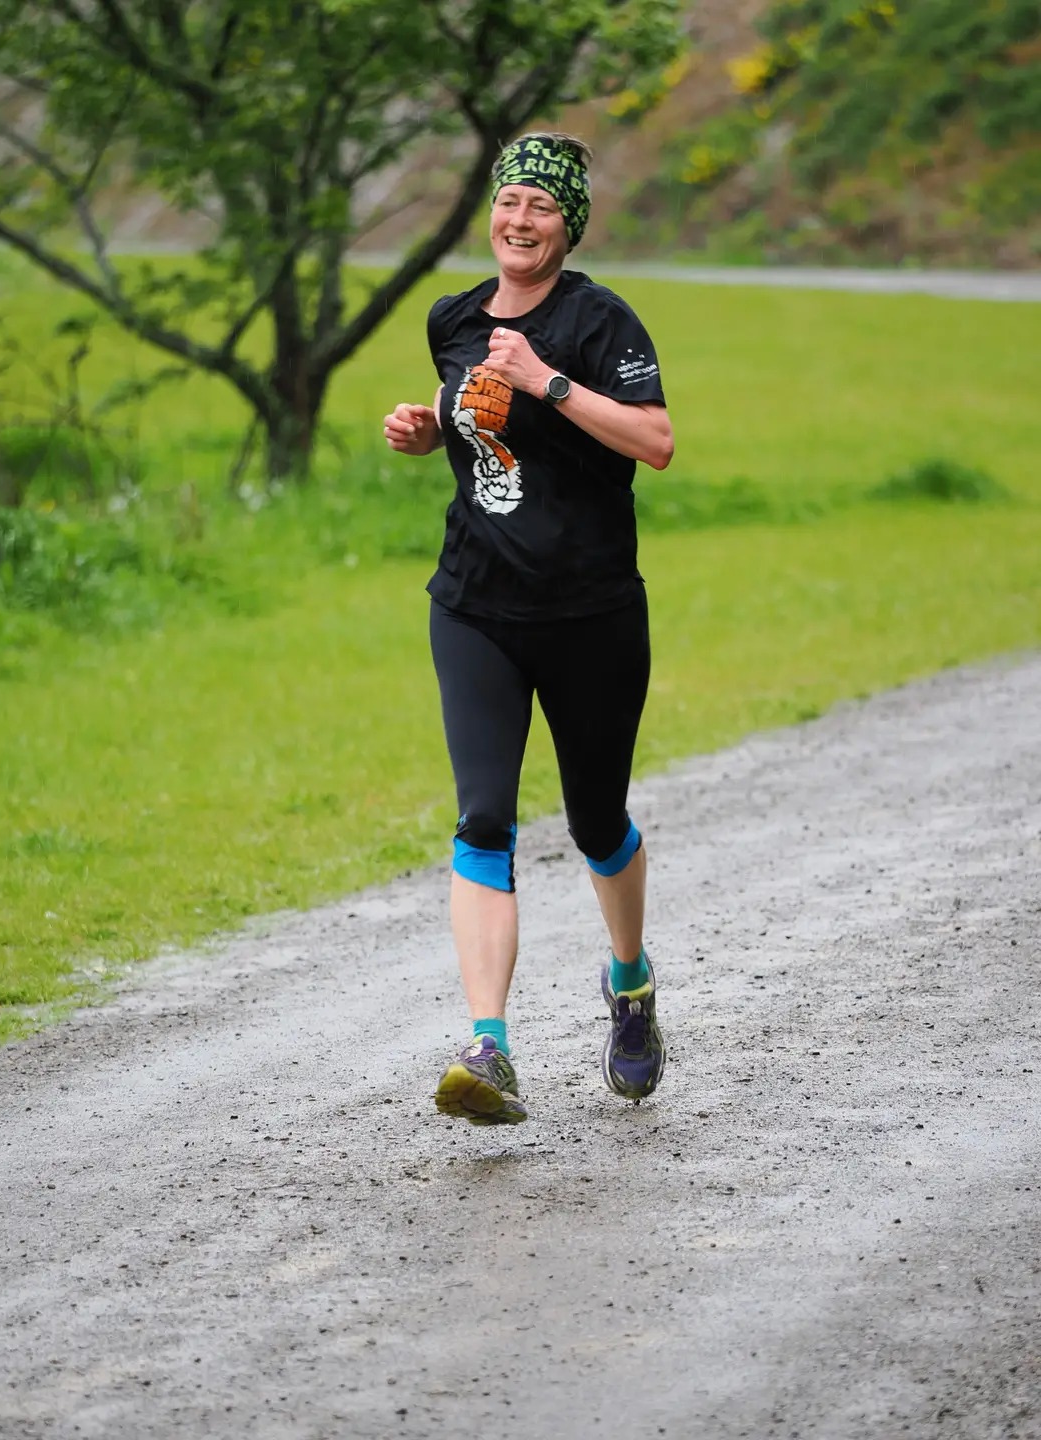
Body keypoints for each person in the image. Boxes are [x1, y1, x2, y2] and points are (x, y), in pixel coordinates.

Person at [382, 132, 674, 1126]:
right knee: (481, 820)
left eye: (541, 208)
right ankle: (488, 1047)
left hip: (591, 611)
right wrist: (430, 430)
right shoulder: (453, 318)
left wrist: (548, 377)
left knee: (596, 821)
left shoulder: (600, 321)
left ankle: (629, 984)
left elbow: (657, 441)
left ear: (569, 224)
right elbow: (473, 420)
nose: (519, 220)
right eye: (509, 201)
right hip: (475, 604)